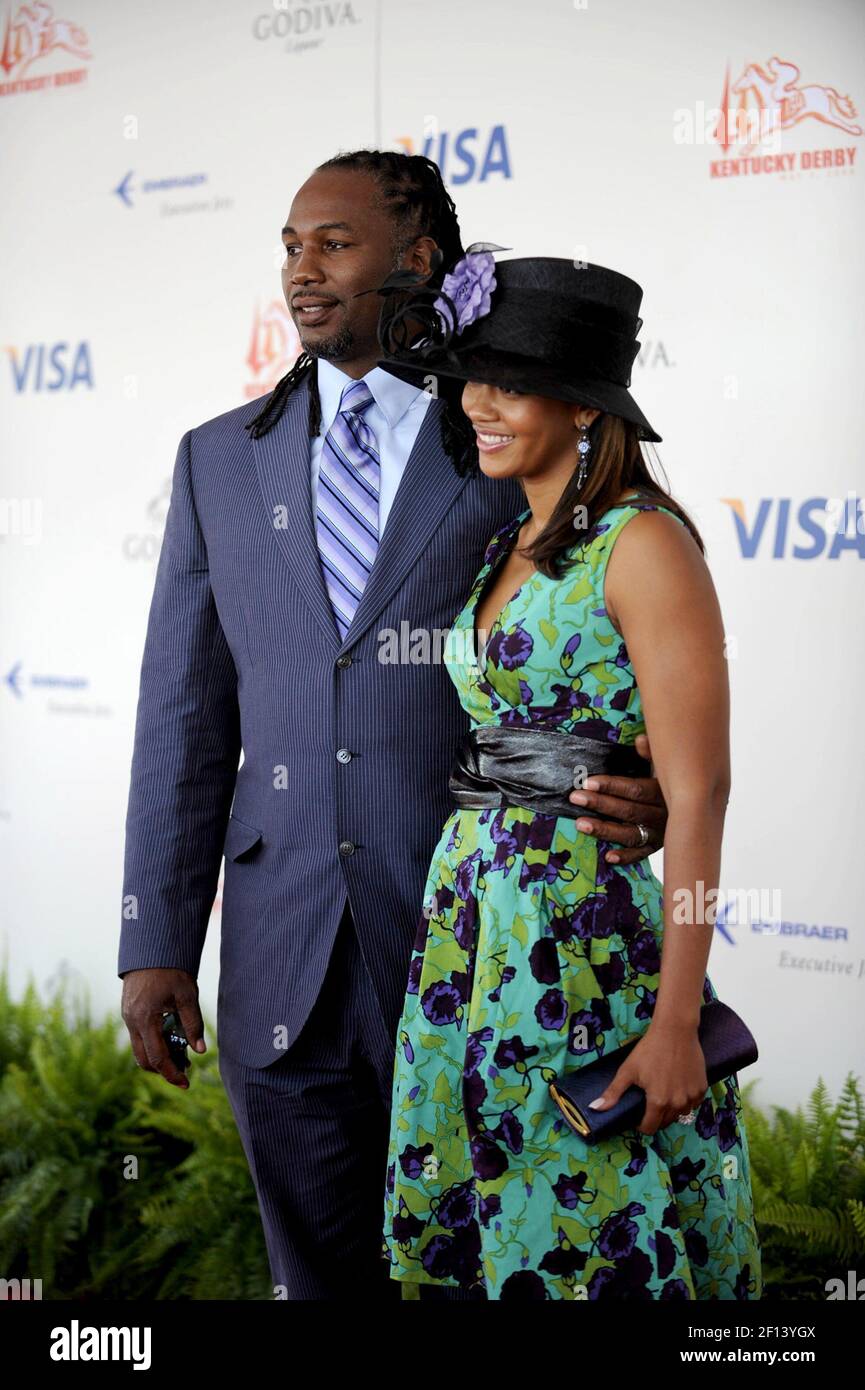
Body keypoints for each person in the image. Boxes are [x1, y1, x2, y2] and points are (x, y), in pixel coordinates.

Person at [117, 151, 668, 1302]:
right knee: (315, 1279)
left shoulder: (514, 436)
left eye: (332, 243)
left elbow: (619, 612)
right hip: (282, 954)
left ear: (418, 260)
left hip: (486, 943)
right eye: (287, 245)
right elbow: (183, 711)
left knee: (492, 1273)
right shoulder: (217, 460)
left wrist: (651, 775)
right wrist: (156, 938)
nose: (300, 271)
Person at [377, 252, 763, 1300]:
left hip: (580, 941)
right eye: (471, 378)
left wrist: (677, 1019)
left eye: (508, 382)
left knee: (591, 1228)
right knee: (487, 1224)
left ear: (586, 406)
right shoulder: (513, 536)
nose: (478, 405)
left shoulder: (643, 544)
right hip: (471, 930)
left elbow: (697, 794)